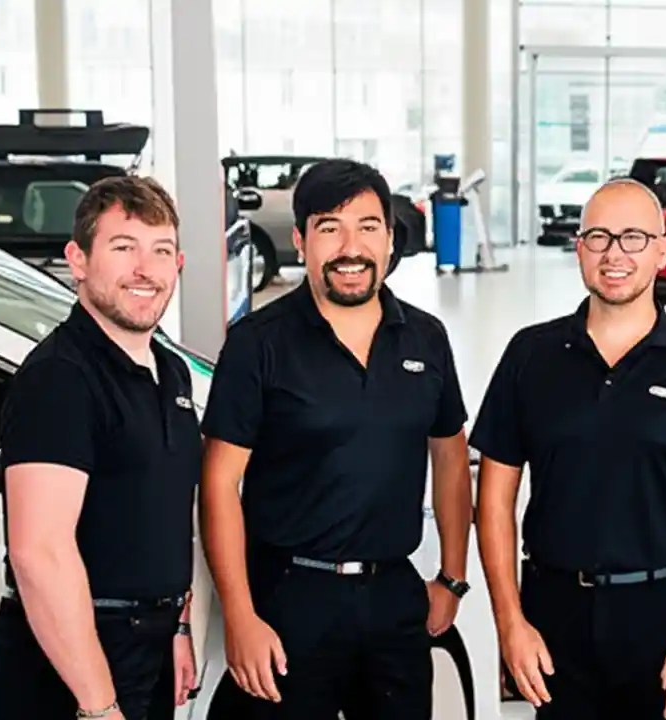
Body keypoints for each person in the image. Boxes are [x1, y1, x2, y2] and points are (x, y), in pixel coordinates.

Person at [470, 178, 666, 720]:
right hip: (557, 617)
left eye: (633, 238)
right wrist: (510, 624)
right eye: (599, 237)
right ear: (579, 248)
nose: (614, 254)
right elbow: (493, 502)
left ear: (662, 250)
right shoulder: (530, 356)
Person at [199, 158, 473, 719]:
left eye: (368, 227)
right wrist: (241, 615)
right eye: (330, 227)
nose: (352, 247)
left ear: (391, 240)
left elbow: (449, 457)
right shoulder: (259, 344)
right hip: (290, 597)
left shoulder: (427, 336)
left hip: (394, 596)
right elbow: (219, 483)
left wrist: (451, 575)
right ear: (301, 240)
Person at [0, 175, 201, 720]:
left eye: (161, 251)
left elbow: (164, 513)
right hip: (69, 663)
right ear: (78, 261)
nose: (144, 270)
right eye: (123, 248)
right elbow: (40, 553)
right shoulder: (60, 378)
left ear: (178, 264)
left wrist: (175, 623)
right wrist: (99, 706)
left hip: (146, 646)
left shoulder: (170, 372)